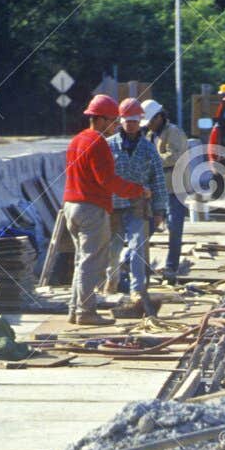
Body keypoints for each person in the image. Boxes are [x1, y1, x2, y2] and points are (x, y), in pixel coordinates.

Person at [63, 94, 150, 324]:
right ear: (100, 119)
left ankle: (75, 310)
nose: (115, 125)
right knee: (92, 262)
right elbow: (108, 181)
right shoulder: (98, 143)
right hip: (91, 208)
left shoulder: (77, 140)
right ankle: (86, 312)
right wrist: (137, 190)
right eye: (112, 120)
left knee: (81, 261)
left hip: (71, 206)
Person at [108, 97, 167, 315]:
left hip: (138, 206)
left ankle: (137, 292)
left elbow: (158, 180)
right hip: (113, 205)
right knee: (112, 250)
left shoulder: (148, 149)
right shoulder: (109, 145)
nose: (130, 124)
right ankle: (109, 286)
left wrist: (160, 210)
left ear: (139, 121)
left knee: (137, 249)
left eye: (134, 120)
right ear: (120, 120)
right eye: (127, 120)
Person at [142, 98, 189, 280]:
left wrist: (152, 162)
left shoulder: (173, 132)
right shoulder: (150, 135)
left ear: (159, 117)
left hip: (174, 188)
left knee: (174, 228)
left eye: (151, 121)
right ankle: (140, 263)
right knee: (150, 225)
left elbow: (174, 156)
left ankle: (171, 267)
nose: (149, 125)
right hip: (158, 189)